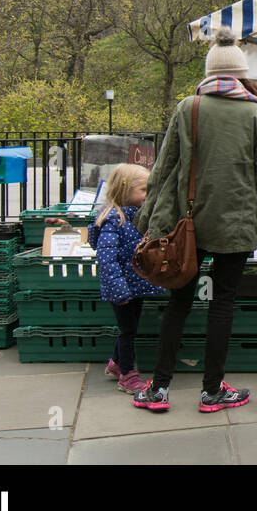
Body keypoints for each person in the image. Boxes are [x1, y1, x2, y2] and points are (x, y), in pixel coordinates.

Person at [133, 28, 257, 413]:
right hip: (237, 224)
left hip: (188, 223)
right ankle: (212, 390)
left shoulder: (189, 108)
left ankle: (159, 388)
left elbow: (164, 169)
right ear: (241, 72)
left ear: (209, 72)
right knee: (223, 305)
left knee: (179, 302)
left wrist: (148, 217)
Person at [88, 163, 163, 394]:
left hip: (135, 286)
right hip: (122, 290)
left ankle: (116, 364)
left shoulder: (136, 217)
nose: (147, 196)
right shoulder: (113, 221)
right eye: (143, 191)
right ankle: (128, 375)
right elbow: (107, 259)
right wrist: (119, 290)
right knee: (128, 331)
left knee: (129, 328)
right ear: (124, 191)